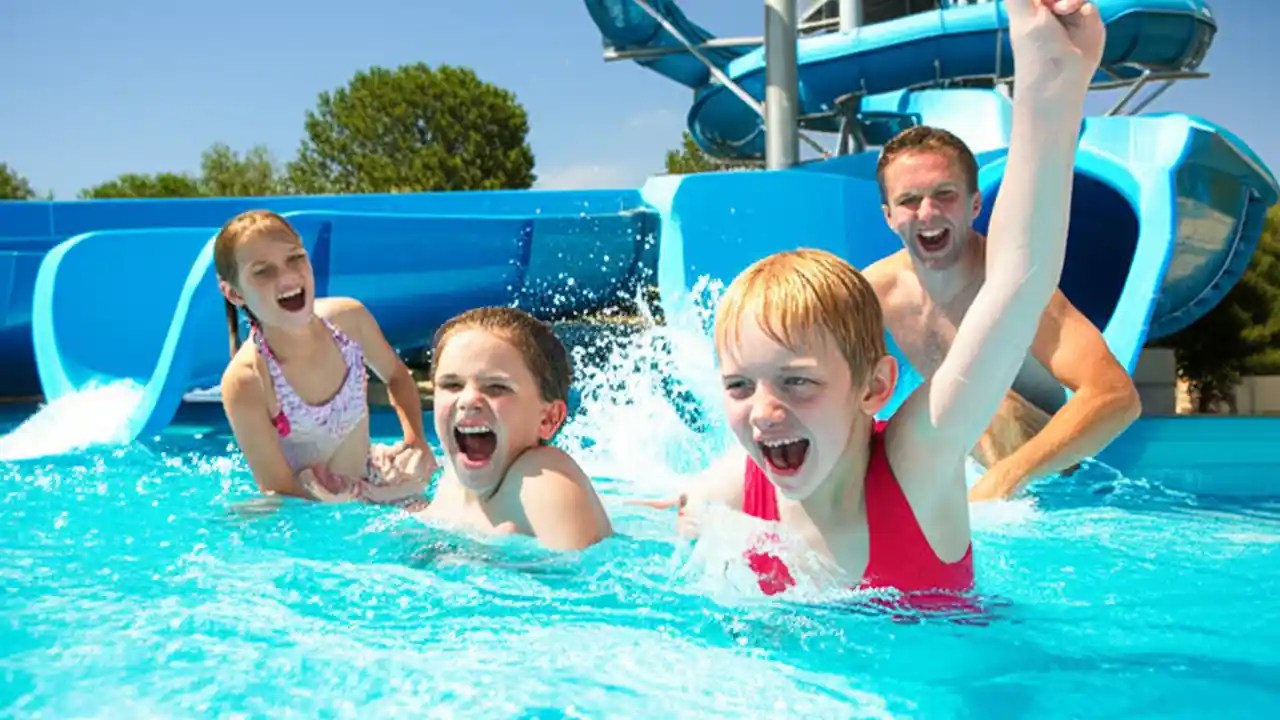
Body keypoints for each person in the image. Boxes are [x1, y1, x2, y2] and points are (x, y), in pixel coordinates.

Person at [652, 0, 1106, 600]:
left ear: (874, 387)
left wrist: (1052, 89)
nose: (763, 410)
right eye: (740, 385)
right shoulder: (731, 494)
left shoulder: (918, 464)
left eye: (796, 382)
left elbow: (1017, 287)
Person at [866, 132, 1141, 503]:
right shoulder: (875, 292)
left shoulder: (1014, 286)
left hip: (1056, 486)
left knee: (976, 395)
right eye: (909, 200)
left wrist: (1005, 479)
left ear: (975, 204)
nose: (928, 213)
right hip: (968, 475)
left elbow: (1116, 396)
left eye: (945, 194)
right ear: (888, 217)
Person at [216, 209, 435, 505]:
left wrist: (416, 440)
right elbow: (281, 494)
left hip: (373, 479)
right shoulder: (248, 380)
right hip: (314, 507)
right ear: (234, 294)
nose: (289, 276)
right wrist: (336, 502)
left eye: (295, 257)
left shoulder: (349, 321)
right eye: (262, 271)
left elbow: (396, 376)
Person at [413, 306, 613, 551]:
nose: (467, 400)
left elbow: (584, 582)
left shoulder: (543, 479)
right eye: (452, 385)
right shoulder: (453, 477)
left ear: (548, 419)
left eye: (497, 387)